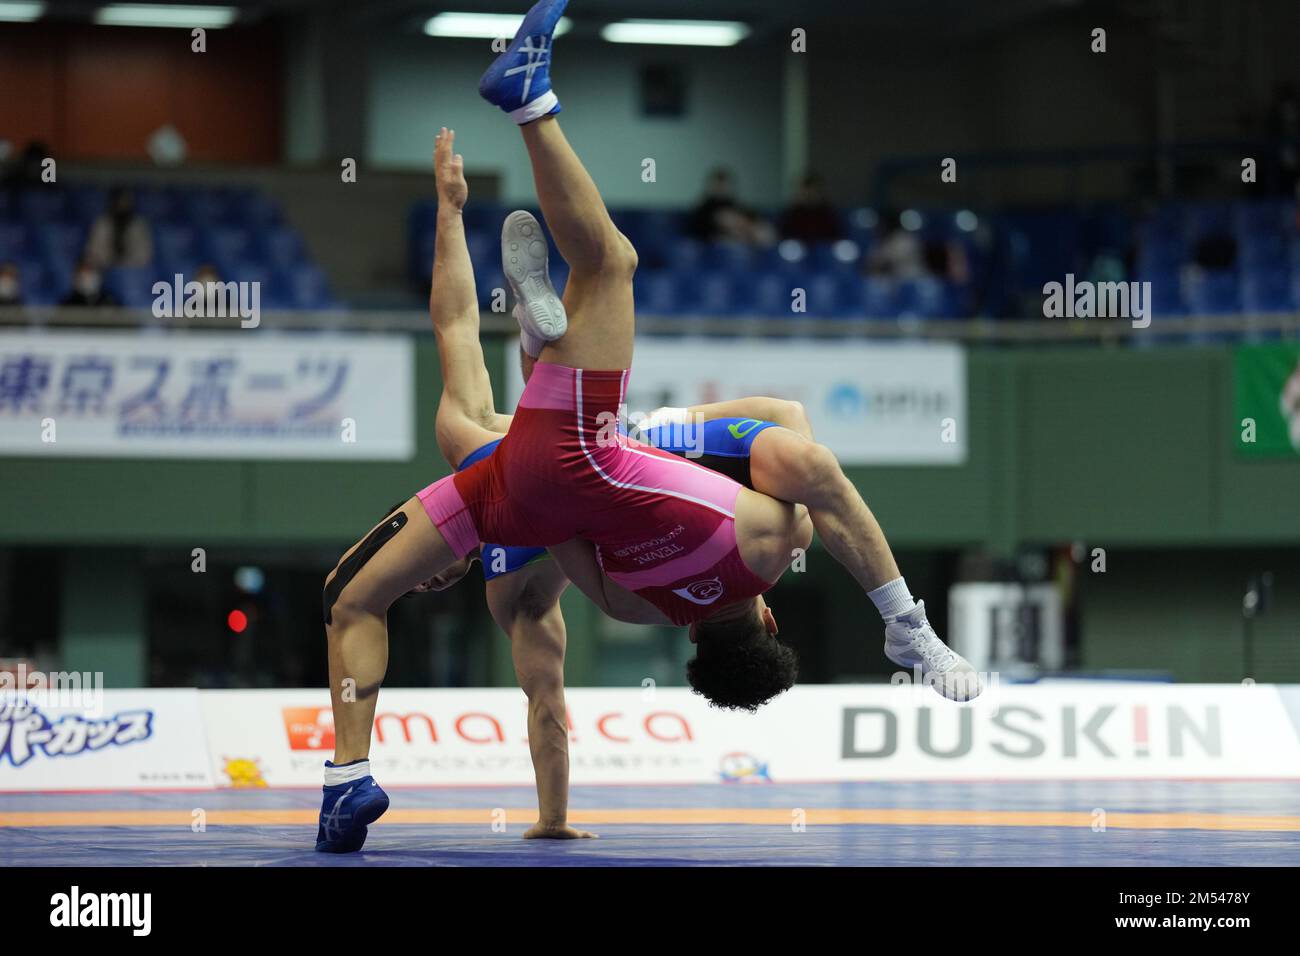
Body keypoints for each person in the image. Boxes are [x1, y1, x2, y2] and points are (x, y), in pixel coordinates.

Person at [315, 0, 978, 854]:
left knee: (616, 270)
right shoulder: (633, 611)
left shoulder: (775, 546)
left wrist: (667, 434)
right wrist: (474, 545)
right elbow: (567, 539)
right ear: (696, 650)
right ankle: (345, 782)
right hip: (518, 501)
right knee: (356, 585)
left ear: (772, 618)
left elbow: (783, 441)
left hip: (592, 454)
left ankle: (529, 107)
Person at [688, 167, 774, 245]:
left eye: (724, 185)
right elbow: (700, 231)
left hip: (745, 237)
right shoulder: (705, 207)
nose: (721, 188)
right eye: (718, 185)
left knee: (762, 232)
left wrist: (744, 225)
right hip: (718, 241)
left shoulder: (735, 204)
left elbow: (753, 219)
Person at [84, 187, 153, 270]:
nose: (122, 206)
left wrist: (125, 263)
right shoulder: (102, 223)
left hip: (130, 270)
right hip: (103, 269)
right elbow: (92, 252)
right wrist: (109, 262)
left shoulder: (138, 225)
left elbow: (145, 256)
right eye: (119, 202)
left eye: (125, 203)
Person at [780, 173, 844, 243]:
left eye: (814, 192)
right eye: (805, 193)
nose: (809, 196)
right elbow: (785, 238)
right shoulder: (790, 214)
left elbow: (835, 239)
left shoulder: (829, 214)